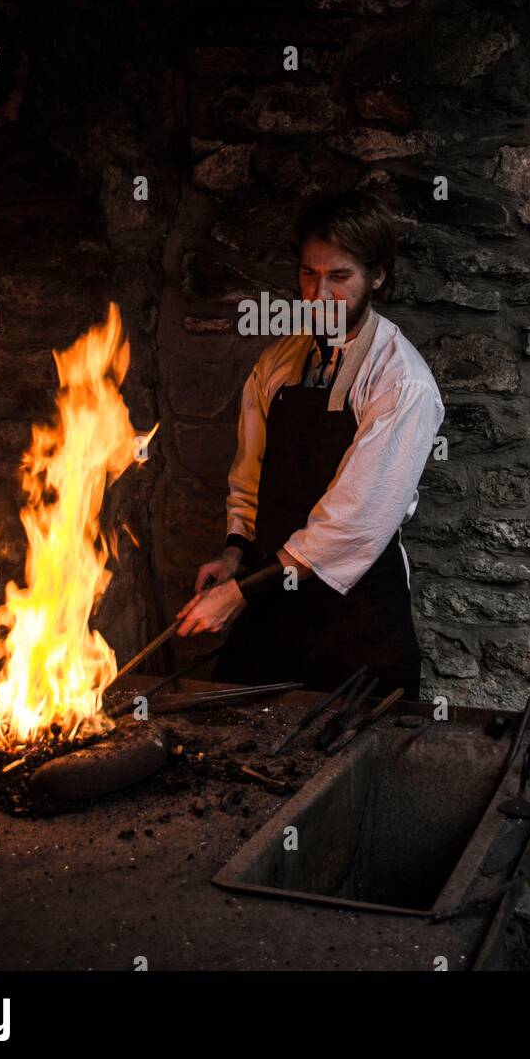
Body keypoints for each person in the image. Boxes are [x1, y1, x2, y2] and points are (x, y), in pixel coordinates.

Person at [176, 190, 445, 698]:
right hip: (271, 610)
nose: (318, 295)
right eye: (308, 274)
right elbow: (250, 473)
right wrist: (236, 550)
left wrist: (242, 591)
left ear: (377, 276)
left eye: (339, 277)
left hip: (357, 621)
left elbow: (355, 520)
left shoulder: (401, 382)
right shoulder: (278, 362)